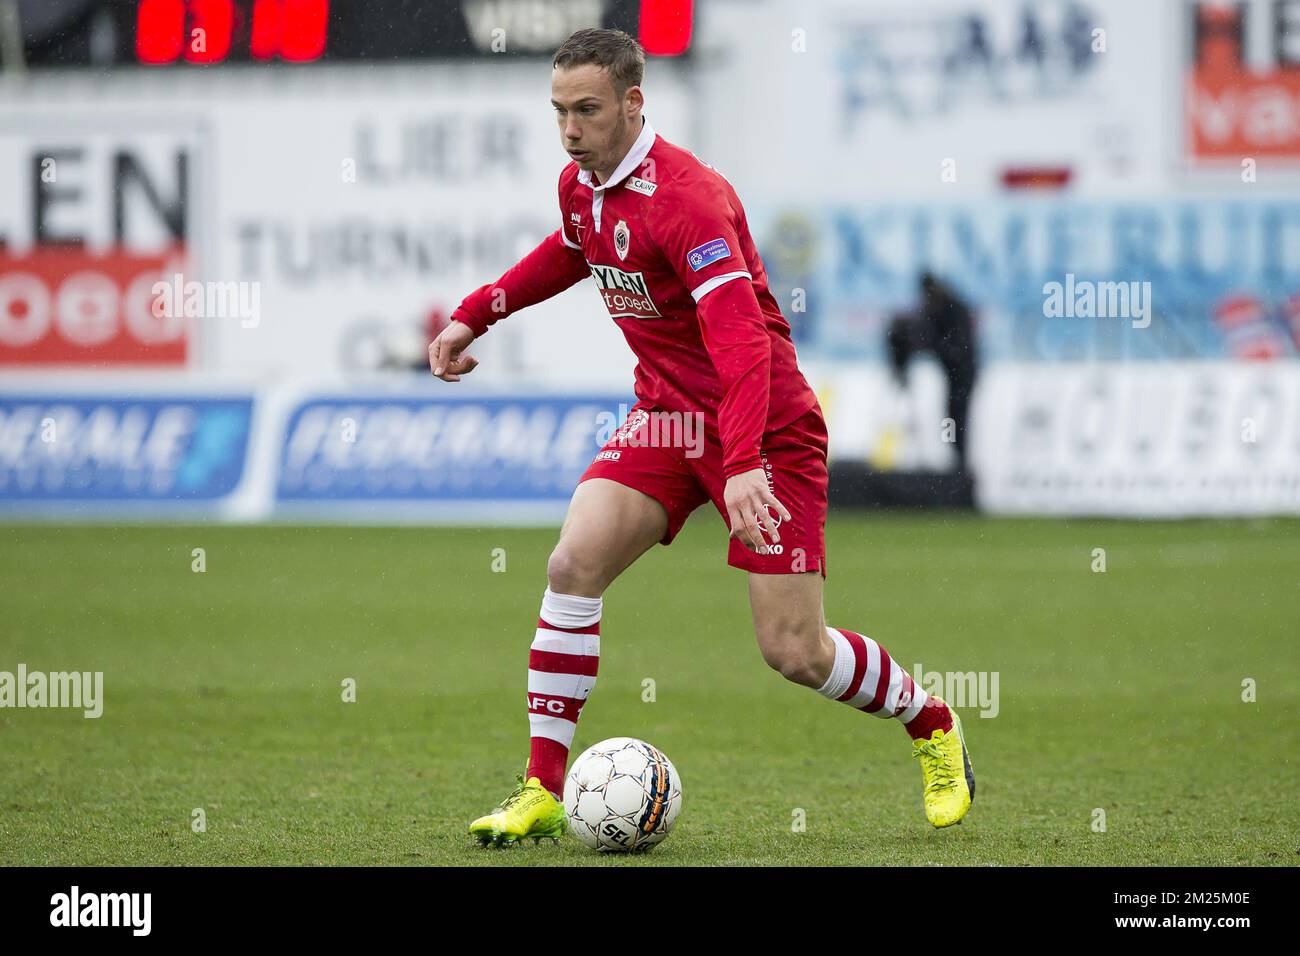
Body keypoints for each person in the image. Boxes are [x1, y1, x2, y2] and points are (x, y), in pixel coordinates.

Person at [429, 29, 975, 846]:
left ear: (632, 103)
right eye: (559, 112)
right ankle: (542, 788)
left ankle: (930, 723)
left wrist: (746, 460)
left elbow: (743, 341)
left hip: (769, 430)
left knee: (794, 650)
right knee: (572, 564)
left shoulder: (690, 199)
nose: (571, 129)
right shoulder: (581, 186)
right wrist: (478, 312)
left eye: (587, 110)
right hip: (669, 420)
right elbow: (566, 253)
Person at [886, 272, 978, 469]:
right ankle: (957, 462)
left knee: (957, 415)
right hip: (954, 373)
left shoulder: (954, 311)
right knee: (952, 415)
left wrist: (938, 347)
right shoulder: (934, 311)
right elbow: (911, 336)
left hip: (963, 375)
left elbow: (961, 349)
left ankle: (960, 463)